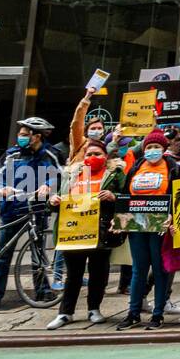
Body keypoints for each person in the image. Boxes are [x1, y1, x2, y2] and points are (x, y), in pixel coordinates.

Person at [45, 139, 125, 329]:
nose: (92, 157)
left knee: (98, 272)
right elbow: (57, 198)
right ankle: (65, 313)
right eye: (89, 154)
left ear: (106, 156)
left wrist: (115, 198)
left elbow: (128, 197)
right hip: (73, 231)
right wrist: (53, 200)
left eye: (97, 154)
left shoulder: (115, 174)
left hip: (101, 231)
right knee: (73, 274)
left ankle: (94, 309)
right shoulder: (71, 174)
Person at [0, 117, 62, 310]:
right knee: (3, 255)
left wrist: (48, 185)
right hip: (11, 209)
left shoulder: (49, 154)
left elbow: (60, 175)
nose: (19, 138)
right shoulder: (11, 154)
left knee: (38, 253)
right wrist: (2, 188)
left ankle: (43, 290)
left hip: (36, 209)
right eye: (19, 134)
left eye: (23, 135)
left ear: (36, 136)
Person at [117, 129, 180, 330]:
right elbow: (125, 195)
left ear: (164, 149)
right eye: (149, 147)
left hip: (160, 227)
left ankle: (158, 314)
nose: (152, 150)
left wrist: (173, 217)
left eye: (156, 147)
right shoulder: (136, 167)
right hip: (137, 224)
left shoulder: (173, 168)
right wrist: (119, 220)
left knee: (159, 269)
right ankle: (133, 313)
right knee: (138, 270)